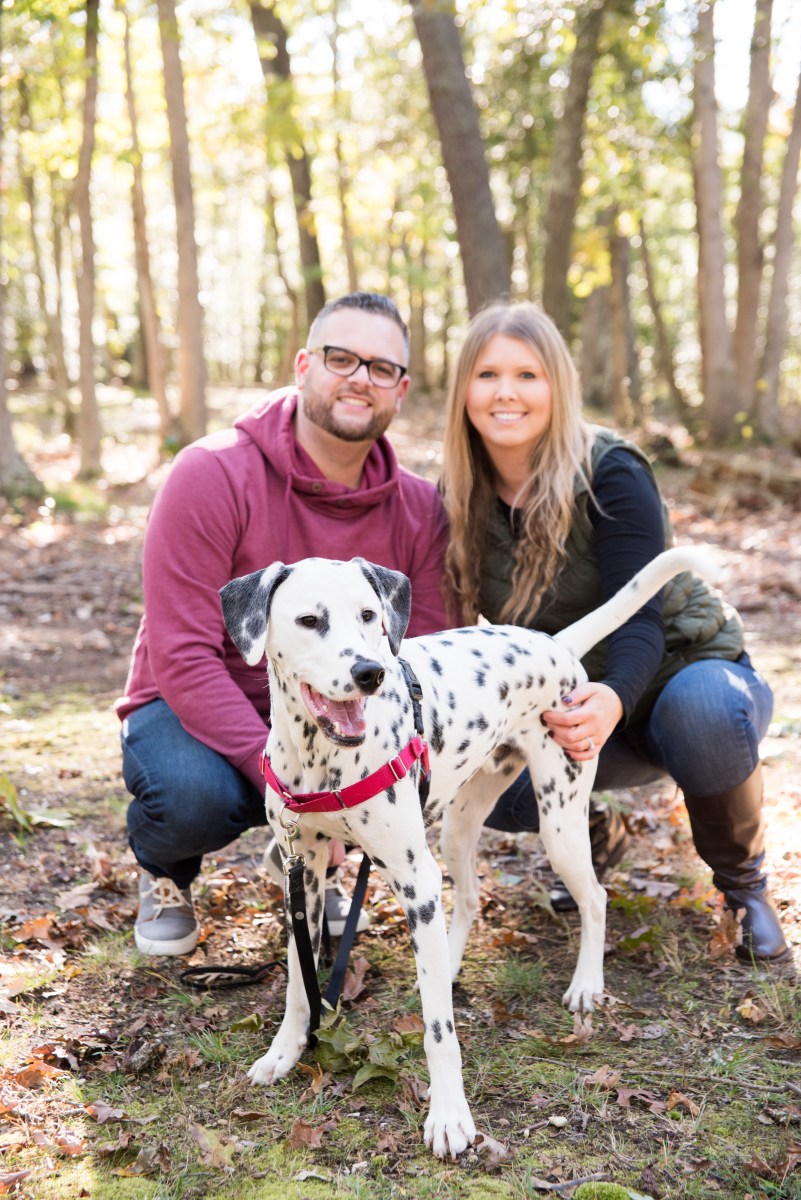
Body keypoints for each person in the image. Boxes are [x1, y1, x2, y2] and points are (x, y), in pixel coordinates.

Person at [439, 300, 789, 963]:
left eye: (527, 375)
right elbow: (456, 634)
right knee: (485, 778)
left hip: (678, 671)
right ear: (462, 389)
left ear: (556, 387)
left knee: (705, 717)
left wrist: (612, 700)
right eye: (486, 375)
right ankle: (593, 833)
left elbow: (639, 617)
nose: (505, 392)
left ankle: (743, 888)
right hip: (571, 695)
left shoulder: (609, 469)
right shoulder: (455, 494)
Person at [116, 292, 451, 956]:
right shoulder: (211, 474)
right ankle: (165, 871)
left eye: (381, 368)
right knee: (193, 799)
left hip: (339, 707)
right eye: (340, 358)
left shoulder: (418, 508)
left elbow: (426, 649)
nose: (360, 377)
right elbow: (182, 655)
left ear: (400, 390)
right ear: (303, 366)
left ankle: (313, 862)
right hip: (197, 704)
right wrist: (283, 776)